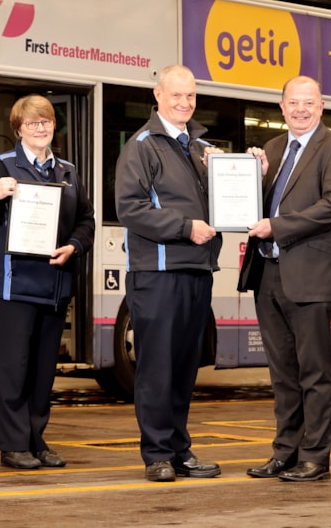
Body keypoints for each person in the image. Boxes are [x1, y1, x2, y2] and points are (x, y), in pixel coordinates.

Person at [0, 95, 95, 470]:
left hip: (54, 286)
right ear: (18, 128)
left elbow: (87, 220)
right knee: (13, 368)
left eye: (47, 121)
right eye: (33, 123)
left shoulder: (67, 171)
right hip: (11, 287)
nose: (42, 128)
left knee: (42, 373)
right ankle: (13, 445)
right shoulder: (0, 167)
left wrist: (74, 245)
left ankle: (37, 440)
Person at [238, 76, 331, 482]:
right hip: (267, 273)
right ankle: (285, 451)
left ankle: (315, 457)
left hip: (310, 276)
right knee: (282, 372)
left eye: (309, 103)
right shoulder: (271, 149)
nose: (301, 109)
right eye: (294, 103)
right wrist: (252, 177)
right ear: (282, 107)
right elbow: (256, 208)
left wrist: (278, 227)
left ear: (321, 106)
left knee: (315, 372)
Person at [115, 65, 223, 482]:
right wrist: (184, 227)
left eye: (191, 96)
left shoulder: (200, 148)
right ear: (157, 96)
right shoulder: (143, 145)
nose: (185, 103)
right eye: (176, 95)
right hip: (158, 272)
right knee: (157, 366)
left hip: (197, 269)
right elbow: (131, 207)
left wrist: (241, 172)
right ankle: (157, 453)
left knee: (183, 366)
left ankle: (180, 449)